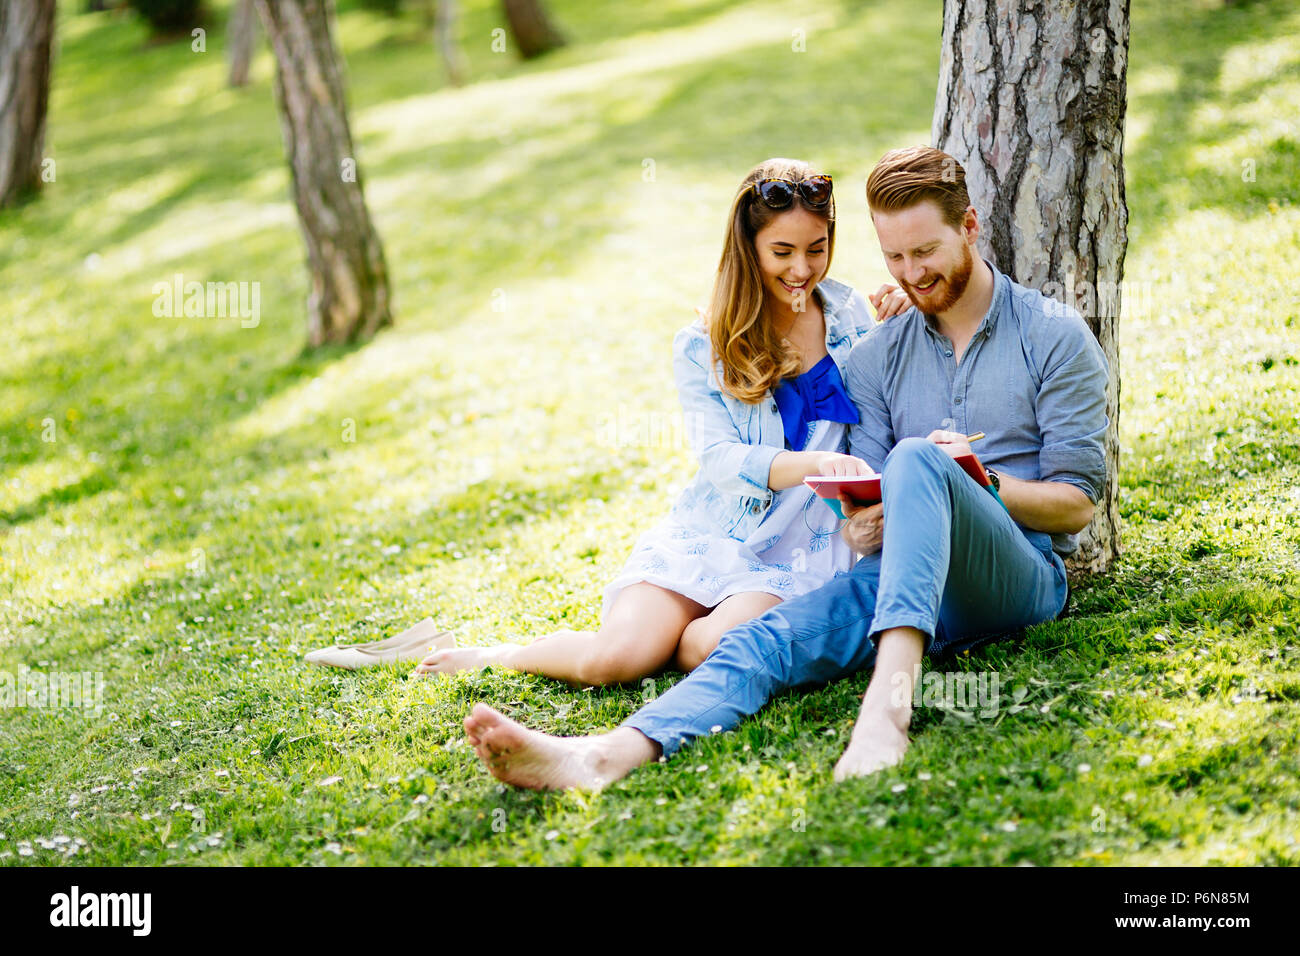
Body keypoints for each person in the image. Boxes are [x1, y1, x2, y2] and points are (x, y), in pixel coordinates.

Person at [457, 145, 1110, 790]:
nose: (911, 274)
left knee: (923, 458)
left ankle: (887, 711)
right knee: (754, 643)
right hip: (893, 575)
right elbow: (867, 487)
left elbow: (1077, 505)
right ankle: (599, 758)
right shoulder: (881, 354)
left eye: (926, 253)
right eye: (895, 257)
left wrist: (980, 481)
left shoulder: (1051, 335)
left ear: (969, 227)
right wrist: (861, 528)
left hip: (1013, 574)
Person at [414, 158, 910, 686]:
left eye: (817, 249)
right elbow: (720, 461)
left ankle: (674, 639)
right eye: (781, 252)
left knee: (712, 646)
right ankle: (503, 654)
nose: (802, 270)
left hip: (799, 547)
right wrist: (818, 462)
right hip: (717, 530)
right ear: (749, 249)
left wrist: (909, 311)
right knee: (617, 661)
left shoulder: (853, 312)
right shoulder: (705, 343)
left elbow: (894, 385)